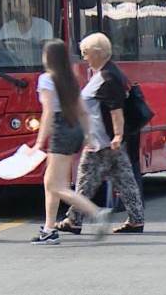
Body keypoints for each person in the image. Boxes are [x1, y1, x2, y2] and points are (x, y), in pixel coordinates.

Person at [53, 33, 144, 236]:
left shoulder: (108, 77)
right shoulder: (105, 73)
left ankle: (74, 220)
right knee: (124, 180)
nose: (84, 57)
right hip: (105, 139)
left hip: (101, 140)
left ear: (97, 53)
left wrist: (118, 135)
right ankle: (136, 219)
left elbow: (116, 109)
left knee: (86, 179)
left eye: (85, 53)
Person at [30, 40, 110, 245]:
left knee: (55, 185)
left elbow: (48, 111)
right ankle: (49, 229)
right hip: (74, 128)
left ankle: (96, 212)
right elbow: (83, 111)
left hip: (60, 130)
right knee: (51, 182)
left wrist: (39, 141)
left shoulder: (46, 79)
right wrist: (88, 135)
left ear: (48, 57)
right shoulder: (70, 79)